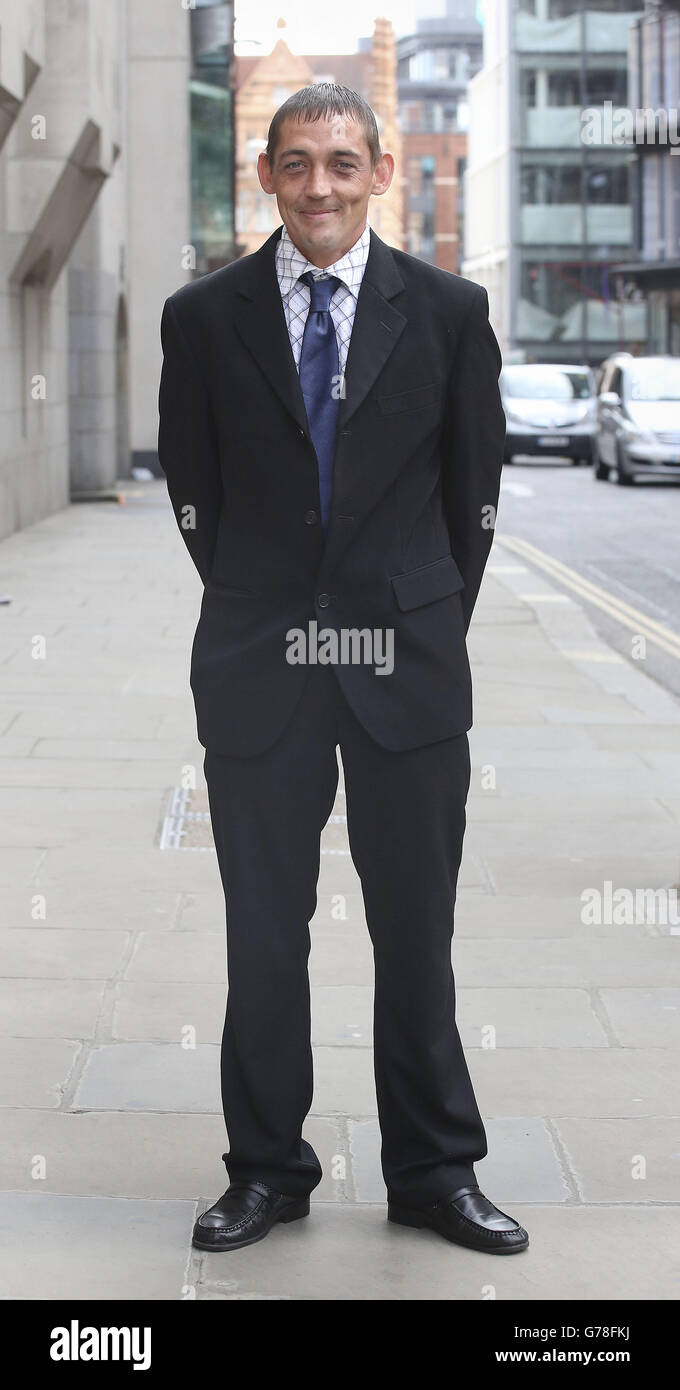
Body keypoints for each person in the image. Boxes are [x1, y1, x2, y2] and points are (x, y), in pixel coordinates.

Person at [158, 84, 528, 1257]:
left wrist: (417, 613)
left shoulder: (450, 311)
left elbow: (472, 495)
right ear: (267, 175)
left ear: (376, 172)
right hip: (261, 661)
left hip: (403, 660)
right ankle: (267, 1168)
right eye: (297, 163)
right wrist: (264, 597)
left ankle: (432, 1169)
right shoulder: (203, 317)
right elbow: (193, 491)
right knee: (263, 933)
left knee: (414, 929)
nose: (320, 184)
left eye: (342, 162)